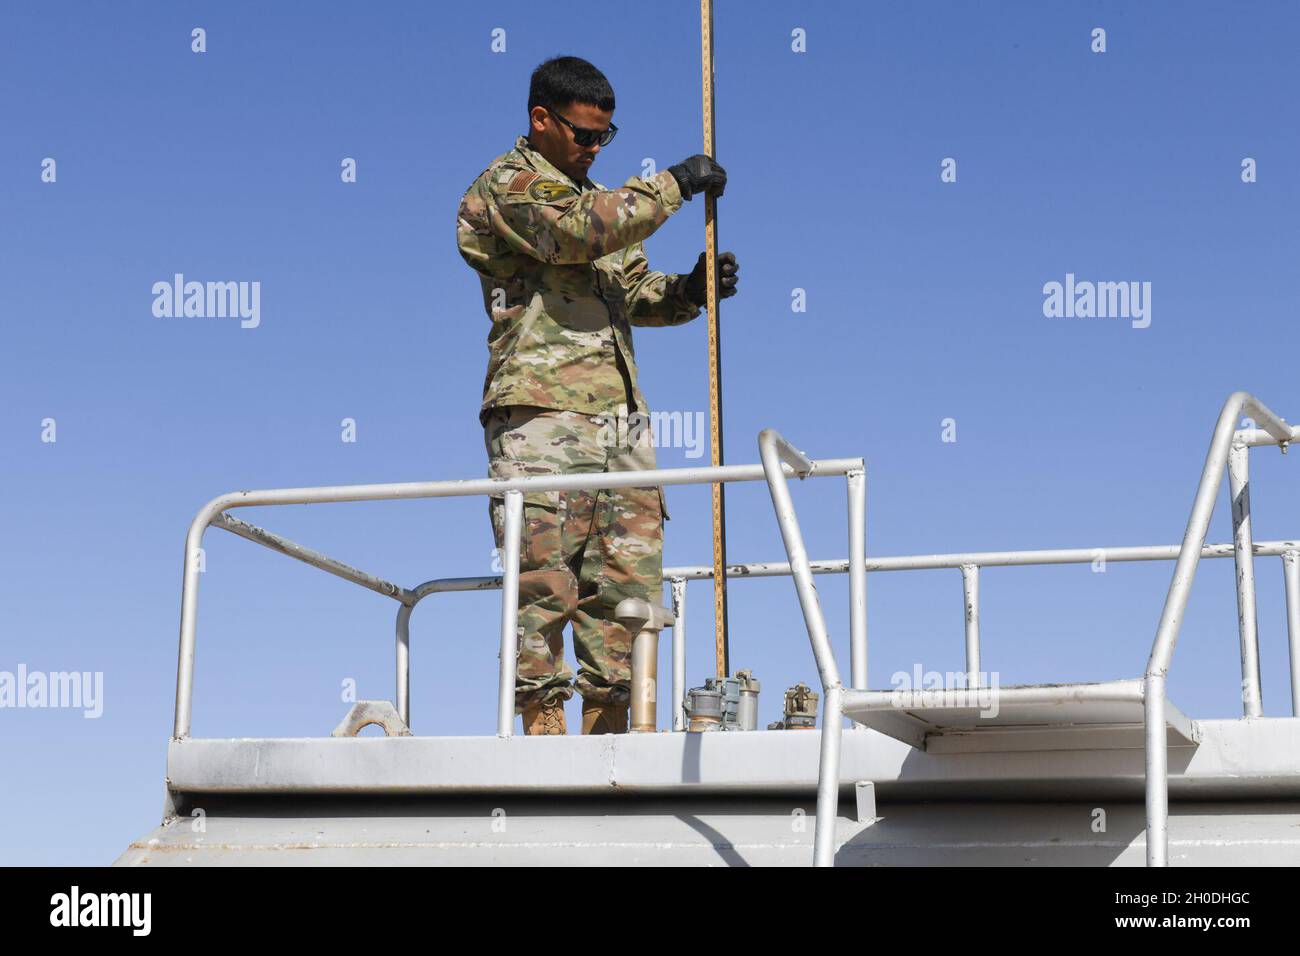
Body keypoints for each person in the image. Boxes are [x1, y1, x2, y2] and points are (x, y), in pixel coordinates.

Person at [456, 55, 739, 735]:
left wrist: (691, 290)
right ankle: (544, 734)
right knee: (544, 582)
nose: (592, 149)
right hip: (541, 415)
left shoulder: (605, 204)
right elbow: (577, 234)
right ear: (541, 121)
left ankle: (617, 729)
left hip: (619, 426)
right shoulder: (510, 187)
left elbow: (633, 293)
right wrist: (670, 186)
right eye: (584, 135)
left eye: (604, 137)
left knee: (626, 588)